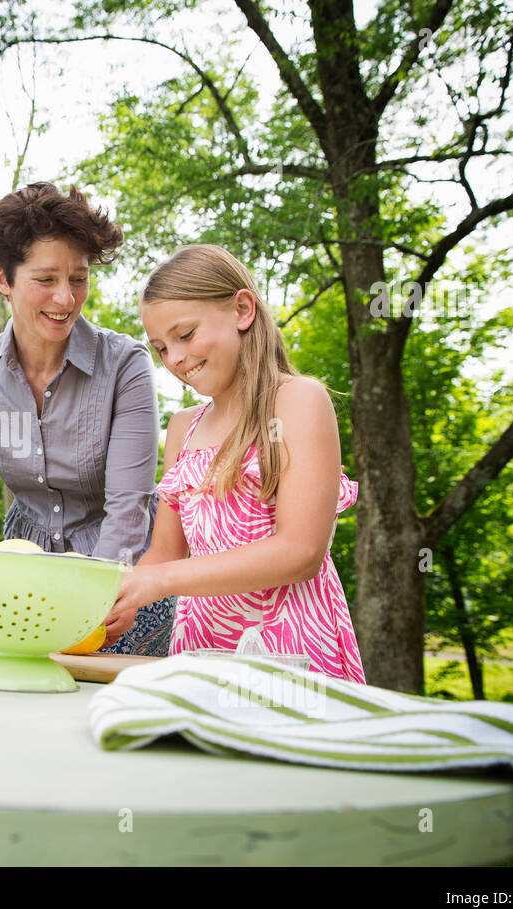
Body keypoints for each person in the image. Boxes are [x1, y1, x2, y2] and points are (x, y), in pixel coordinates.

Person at [108, 244, 366, 682]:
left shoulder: (297, 401)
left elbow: (301, 551)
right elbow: (167, 552)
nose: (175, 359)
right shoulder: (182, 428)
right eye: (161, 349)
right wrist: (122, 599)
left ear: (242, 309)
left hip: (291, 654)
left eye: (185, 335)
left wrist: (162, 581)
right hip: (199, 652)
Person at [0, 182, 173, 654]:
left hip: (120, 583)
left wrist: (94, 602)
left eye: (78, 279)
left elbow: (129, 504)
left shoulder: (125, 364)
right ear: (3, 278)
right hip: (20, 581)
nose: (65, 299)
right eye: (45, 280)